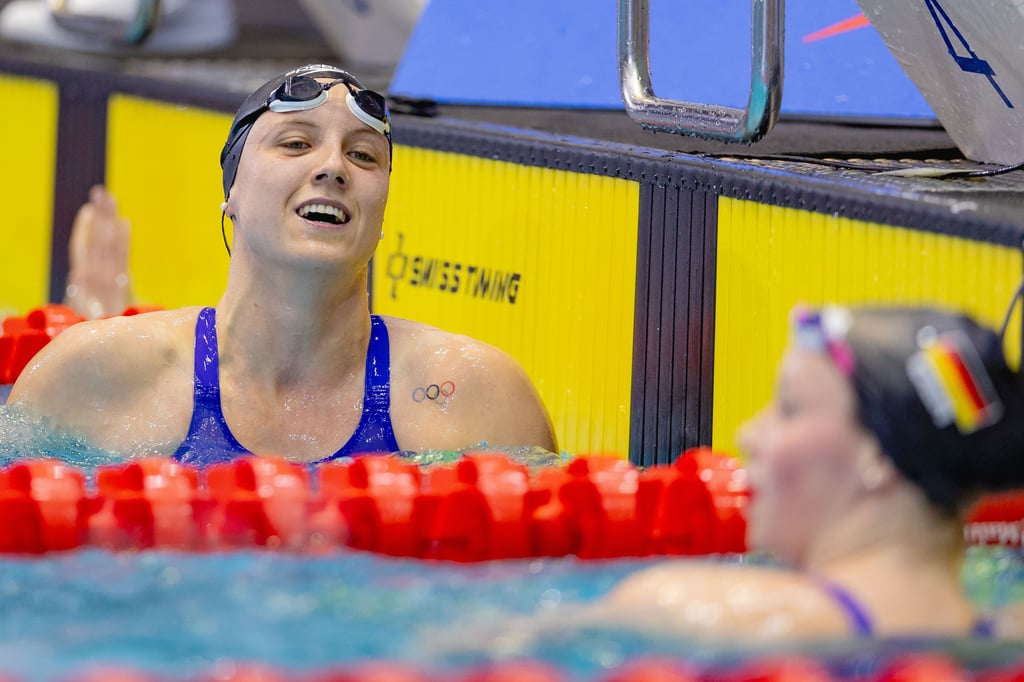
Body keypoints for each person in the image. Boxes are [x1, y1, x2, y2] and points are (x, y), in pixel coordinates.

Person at [6, 63, 557, 464]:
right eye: (295, 144)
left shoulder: (476, 397)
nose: (333, 168)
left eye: (364, 155)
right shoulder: (90, 378)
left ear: (382, 212)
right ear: (232, 196)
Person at [553, 305, 1024, 641]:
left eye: (790, 408)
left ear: (878, 458)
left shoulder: (683, 610)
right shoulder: (1001, 636)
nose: (749, 433)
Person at [63, 184, 133, 320]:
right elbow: (79, 245)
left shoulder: (122, 224)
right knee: (90, 312)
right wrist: (81, 268)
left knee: (113, 314)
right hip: (90, 278)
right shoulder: (88, 215)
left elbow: (122, 255)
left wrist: (122, 277)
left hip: (109, 280)